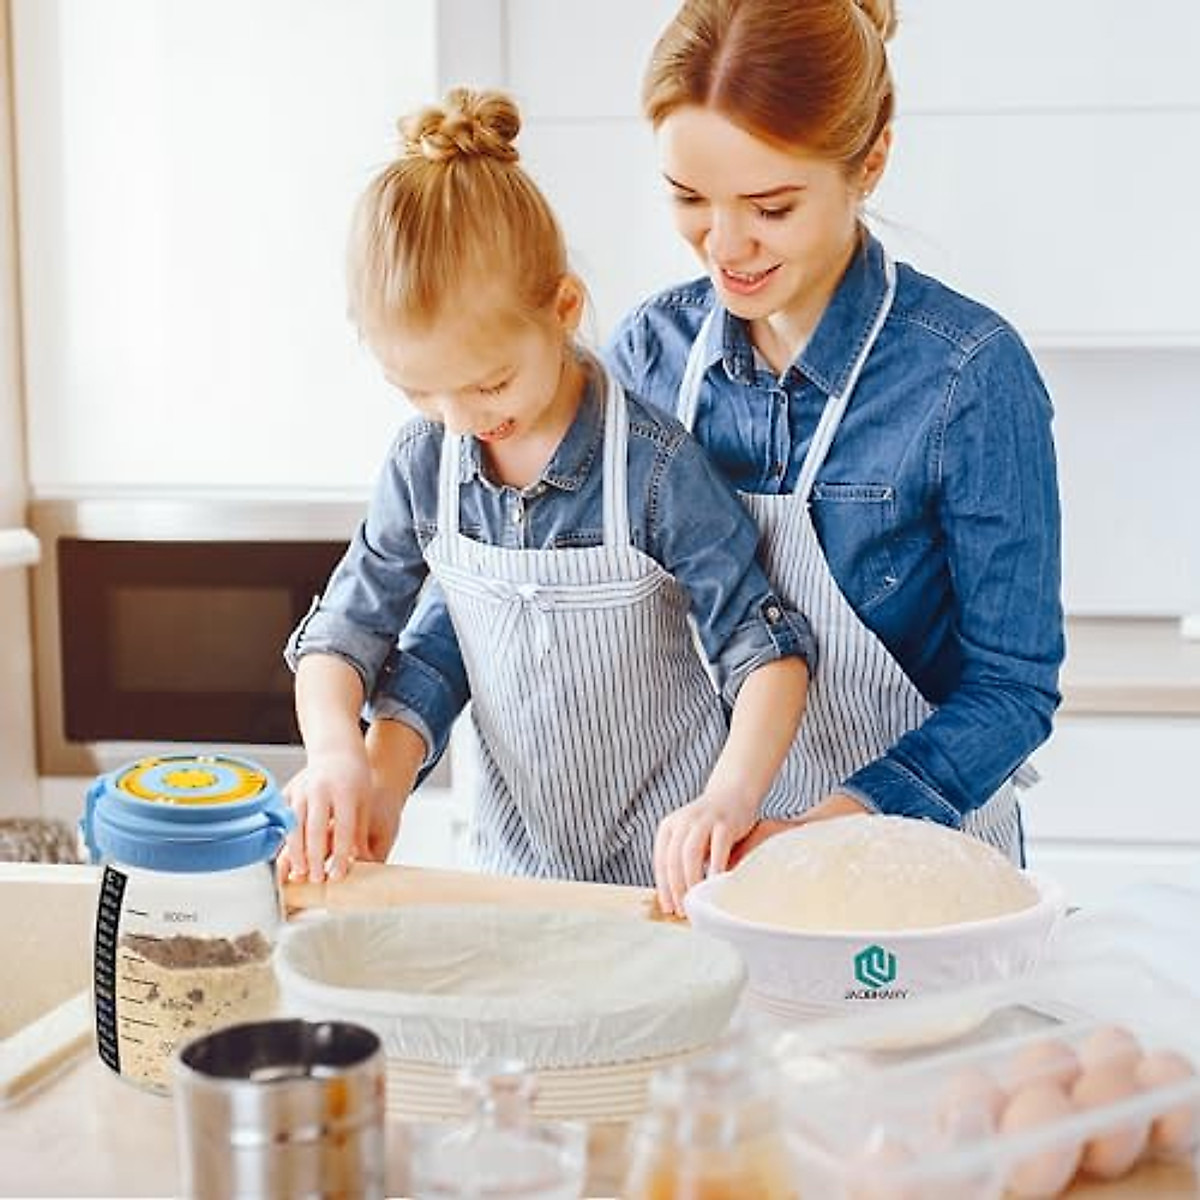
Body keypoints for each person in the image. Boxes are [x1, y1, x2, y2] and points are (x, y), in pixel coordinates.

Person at [377, 0, 1065, 916]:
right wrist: (382, 757)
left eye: (771, 206)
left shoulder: (968, 377)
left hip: (911, 884)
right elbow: (490, 583)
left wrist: (831, 833)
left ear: (870, 162)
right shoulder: (649, 353)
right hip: (703, 888)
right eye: (689, 198)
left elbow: (1010, 693)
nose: (726, 247)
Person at [281, 87, 811, 891]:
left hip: (660, 884)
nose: (461, 418)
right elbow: (345, 635)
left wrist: (726, 801)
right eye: (421, 392)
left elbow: (766, 654)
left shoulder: (654, 467)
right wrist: (339, 760)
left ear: (563, 309)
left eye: (490, 382)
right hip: (509, 874)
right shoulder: (426, 461)